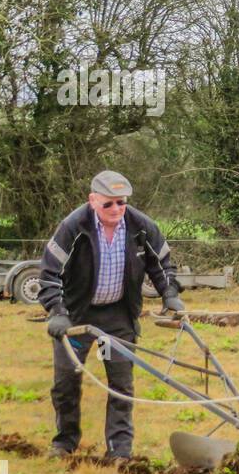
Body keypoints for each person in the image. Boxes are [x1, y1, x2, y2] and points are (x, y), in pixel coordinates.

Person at [38, 171, 184, 459]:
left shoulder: (140, 226)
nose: (116, 209)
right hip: (77, 316)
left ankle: (119, 451)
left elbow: (162, 264)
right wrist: (56, 311)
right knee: (66, 382)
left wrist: (170, 295)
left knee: (120, 384)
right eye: (108, 204)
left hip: (118, 317)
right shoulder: (73, 227)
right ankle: (64, 443)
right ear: (93, 200)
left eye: (121, 202)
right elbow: (49, 273)